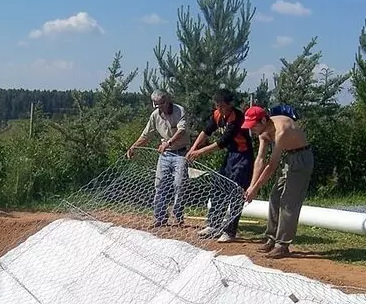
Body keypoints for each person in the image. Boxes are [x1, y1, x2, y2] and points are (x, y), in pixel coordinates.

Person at [242, 105, 315, 258]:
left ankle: (282, 244)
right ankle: (271, 238)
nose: (251, 129)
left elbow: (272, 165)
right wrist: (251, 186)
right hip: (289, 158)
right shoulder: (263, 131)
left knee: (289, 201)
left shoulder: (282, 130)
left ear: (263, 120)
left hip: (302, 159)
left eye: (253, 125)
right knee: (275, 197)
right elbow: (260, 160)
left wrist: (256, 188)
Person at [187, 89, 254, 243]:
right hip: (230, 155)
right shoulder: (217, 114)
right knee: (218, 186)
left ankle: (230, 231)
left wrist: (200, 153)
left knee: (236, 192)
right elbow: (206, 131)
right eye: (217, 106)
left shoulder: (237, 117)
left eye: (222, 106)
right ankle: (213, 225)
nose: (219, 109)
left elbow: (222, 142)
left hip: (243, 157)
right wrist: (193, 148)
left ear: (230, 104)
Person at [126, 90, 190, 227]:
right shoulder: (155, 115)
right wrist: (133, 147)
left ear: (167, 101)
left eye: (161, 104)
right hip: (165, 155)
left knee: (179, 185)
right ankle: (160, 218)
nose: (159, 108)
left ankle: (178, 216)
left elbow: (182, 130)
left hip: (180, 154)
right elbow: (146, 135)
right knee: (159, 185)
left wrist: (169, 143)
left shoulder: (179, 111)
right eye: (156, 105)